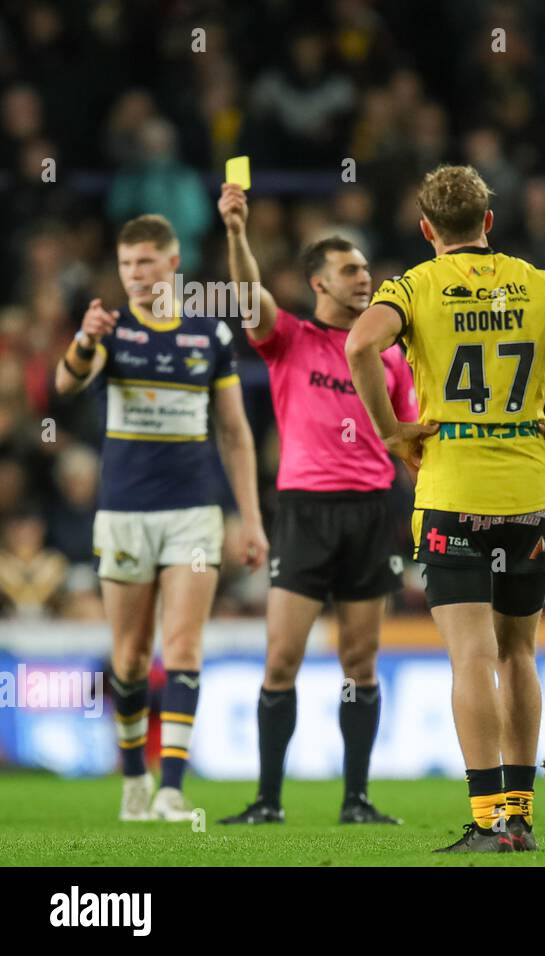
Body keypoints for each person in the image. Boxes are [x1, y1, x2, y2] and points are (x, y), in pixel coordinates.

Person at [345, 165, 545, 852]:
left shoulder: (414, 286)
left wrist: (391, 430)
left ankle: (485, 821)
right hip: (528, 493)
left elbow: (360, 343)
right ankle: (520, 818)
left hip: (453, 492)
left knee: (471, 658)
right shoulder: (537, 282)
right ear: (490, 222)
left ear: (426, 230)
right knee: (518, 653)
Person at [215, 183, 417, 826]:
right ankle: (268, 800)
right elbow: (249, 296)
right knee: (282, 658)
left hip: (371, 512)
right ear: (318, 283)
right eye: (351, 269)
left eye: (366, 268)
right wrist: (238, 233)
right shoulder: (290, 339)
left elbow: (411, 440)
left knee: (360, 660)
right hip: (303, 511)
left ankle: (356, 799)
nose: (365, 278)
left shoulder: (390, 355)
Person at [54, 214, 267, 821]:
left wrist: (249, 518)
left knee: (183, 646)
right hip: (123, 513)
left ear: (173, 265)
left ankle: (171, 787)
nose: (136, 275)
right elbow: (64, 384)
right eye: (126, 265)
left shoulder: (208, 333)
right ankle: (132, 778)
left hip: (194, 515)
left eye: (146, 262)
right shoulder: (109, 331)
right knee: (127, 657)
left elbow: (234, 432)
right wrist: (85, 340)